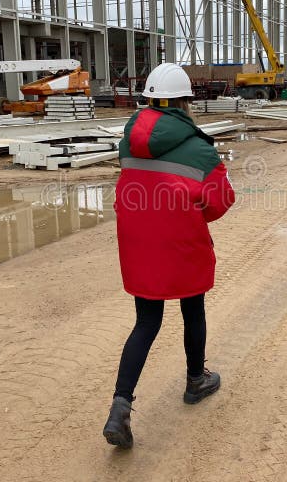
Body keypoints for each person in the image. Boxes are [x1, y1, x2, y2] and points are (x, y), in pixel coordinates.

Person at [103, 63, 236, 449]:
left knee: (146, 321)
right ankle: (196, 381)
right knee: (192, 308)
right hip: (181, 242)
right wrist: (192, 210)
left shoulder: (127, 141)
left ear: (147, 100)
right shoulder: (199, 147)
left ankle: (120, 407)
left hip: (138, 241)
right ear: (184, 102)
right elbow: (220, 203)